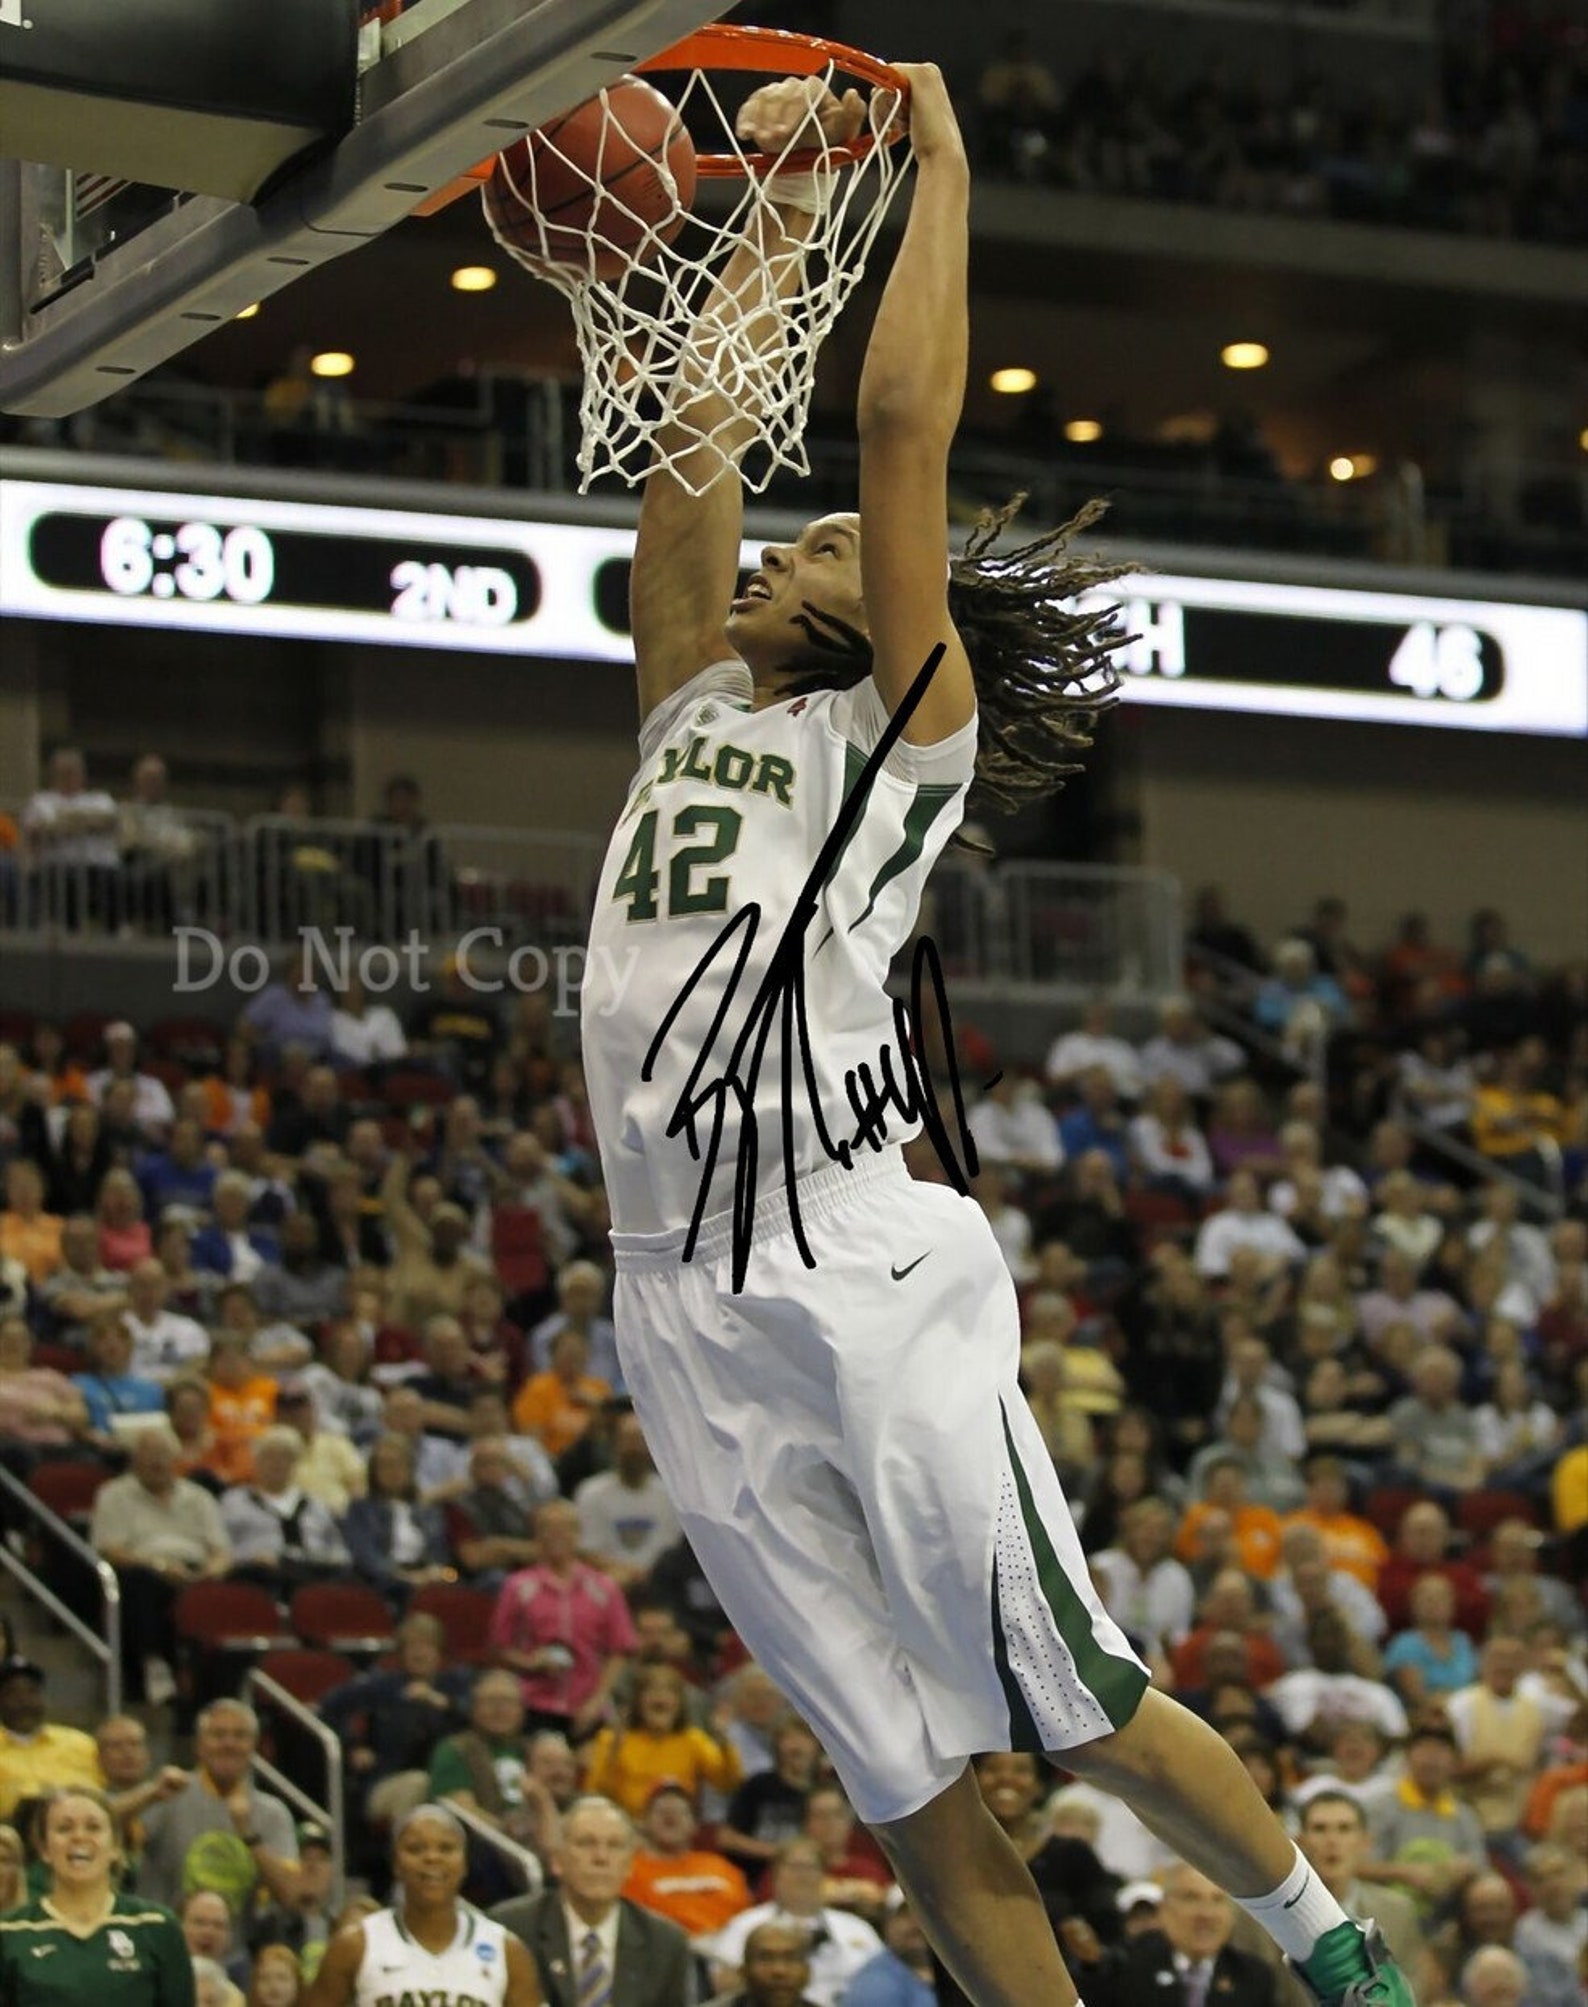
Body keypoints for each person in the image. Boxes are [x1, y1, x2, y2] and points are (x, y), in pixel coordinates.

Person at [574, 61, 1411, 2007]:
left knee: (1071, 1703)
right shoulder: (691, 706)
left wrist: (932, 169)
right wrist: (774, 212)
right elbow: (692, 450)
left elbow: (891, 420)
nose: (783, 551)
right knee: (905, 1784)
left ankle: (1325, 1943)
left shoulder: (904, 727)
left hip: (855, 1264)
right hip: (671, 1296)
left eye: (821, 555)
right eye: (781, 551)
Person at [300, 1803, 539, 2007]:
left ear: (464, 1863)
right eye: (416, 1848)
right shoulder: (355, 1945)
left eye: (446, 1848)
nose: (432, 1858)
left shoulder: (506, 1951)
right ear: (396, 1863)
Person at [0, 1786, 194, 2007]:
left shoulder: (157, 1926)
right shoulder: (10, 1933)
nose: (79, 1837)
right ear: (44, 1848)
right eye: (64, 1828)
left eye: (93, 1827)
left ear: (115, 1846)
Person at [490, 1796, 692, 2007]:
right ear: (557, 1861)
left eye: (614, 1846)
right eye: (586, 1843)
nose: (601, 1857)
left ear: (629, 1865)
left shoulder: (665, 1943)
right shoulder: (511, 1929)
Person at [136, 1699, 301, 1917]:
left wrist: (248, 1835)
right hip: (163, 1942)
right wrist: (149, 1793)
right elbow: (111, 1831)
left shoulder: (273, 1812)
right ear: (199, 1746)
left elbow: (291, 1895)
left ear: (254, 1746)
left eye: (240, 1735)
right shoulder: (169, 1793)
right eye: (218, 1735)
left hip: (236, 1949)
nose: (229, 1744)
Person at [706, 1838, 883, 2007]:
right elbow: (724, 1984)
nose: (802, 1875)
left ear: (825, 1874)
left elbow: (881, 1981)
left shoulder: (857, 1928)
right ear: (775, 1874)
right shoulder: (745, 1925)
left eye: (810, 1867)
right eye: (794, 1867)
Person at [1074, 1863, 1279, 2005]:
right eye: (1191, 1898)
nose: (1206, 1913)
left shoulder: (1253, 1976)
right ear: (1164, 1909)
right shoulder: (1127, 1966)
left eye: (1218, 1900)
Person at [0, 1656, 105, 1820]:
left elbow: (106, 1795)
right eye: (12, 1693)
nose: (24, 1701)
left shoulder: (81, 1744)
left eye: (31, 1691)